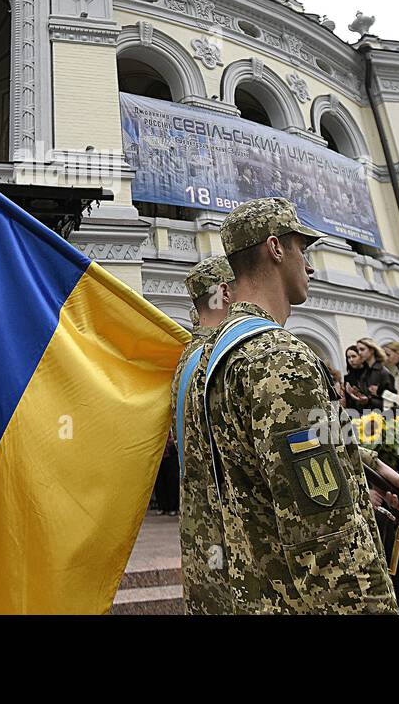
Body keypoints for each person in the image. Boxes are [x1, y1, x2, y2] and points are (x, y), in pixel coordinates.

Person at [180, 197, 399, 614]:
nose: (311, 266)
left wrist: (368, 464)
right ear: (275, 248)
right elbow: (323, 528)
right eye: (303, 249)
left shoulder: (208, 357)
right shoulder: (278, 356)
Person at [172, 256, 235, 606]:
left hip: (202, 533)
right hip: (228, 531)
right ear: (225, 293)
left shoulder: (188, 355)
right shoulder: (219, 356)